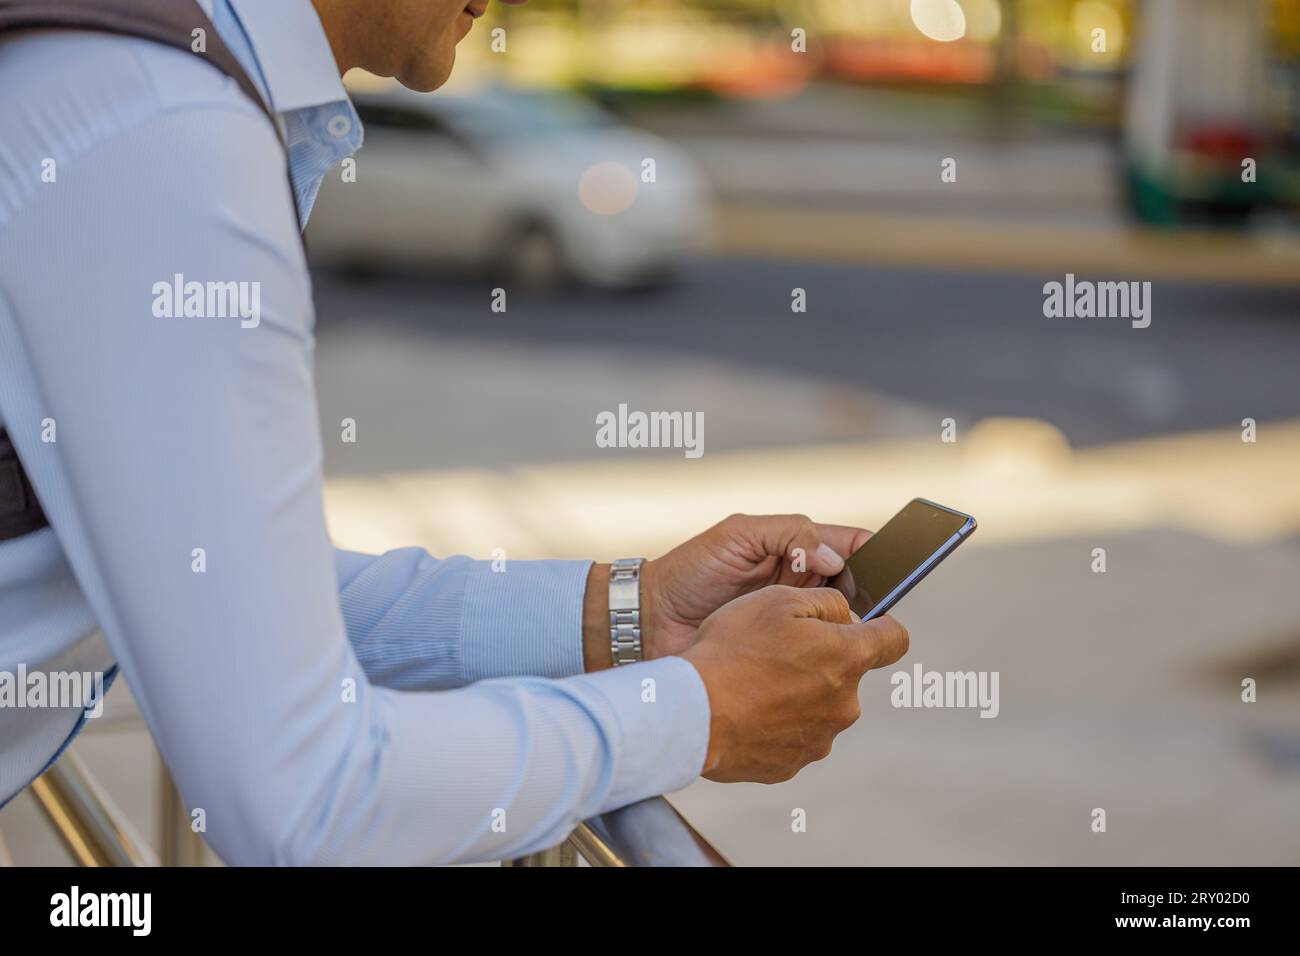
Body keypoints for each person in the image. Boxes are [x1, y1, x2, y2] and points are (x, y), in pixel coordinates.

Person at [0, 0, 908, 864]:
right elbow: (305, 799)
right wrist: (699, 711)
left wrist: (630, 614)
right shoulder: (165, 130)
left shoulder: (144, 80)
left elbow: (222, 581)